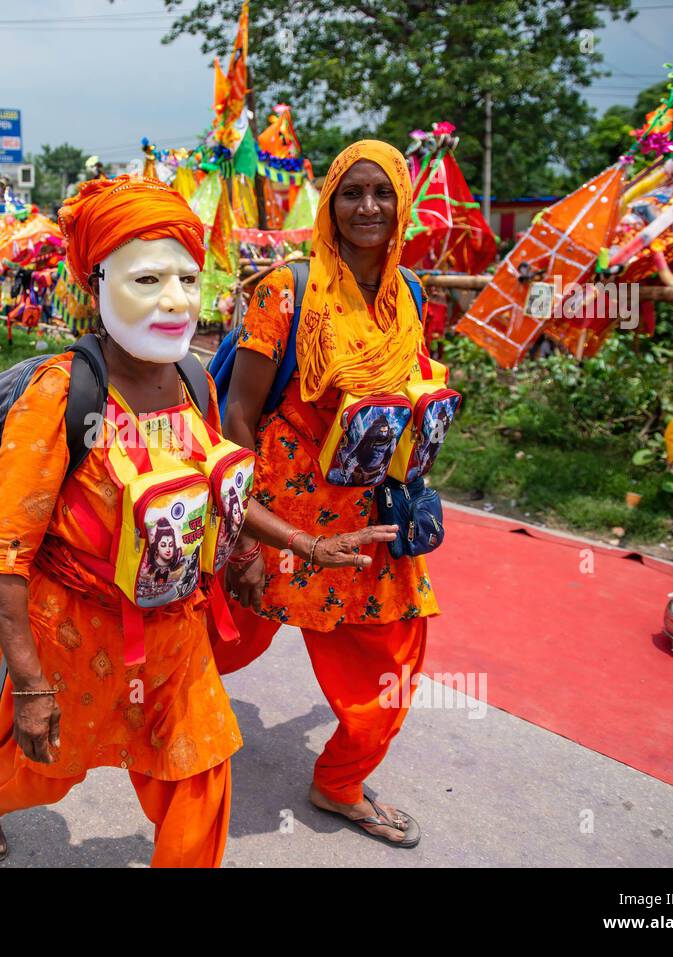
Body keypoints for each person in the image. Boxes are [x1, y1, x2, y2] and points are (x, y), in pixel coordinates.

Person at [0, 175, 250, 868]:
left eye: (187, 276)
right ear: (95, 285)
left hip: (178, 639)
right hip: (71, 644)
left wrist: (299, 541)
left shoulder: (197, 381)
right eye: (147, 278)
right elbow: (2, 554)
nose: (175, 299)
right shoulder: (61, 394)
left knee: (200, 777)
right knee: (34, 778)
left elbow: (209, 487)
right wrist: (28, 686)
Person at [217, 140, 442, 848]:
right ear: (331, 202)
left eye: (382, 193)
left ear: (401, 202)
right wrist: (246, 537)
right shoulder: (285, 288)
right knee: (205, 637)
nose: (367, 207)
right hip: (279, 515)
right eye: (352, 192)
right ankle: (86, 697)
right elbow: (238, 415)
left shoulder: (409, 294)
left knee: (398, 657)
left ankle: (340, 782)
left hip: (372, 516)